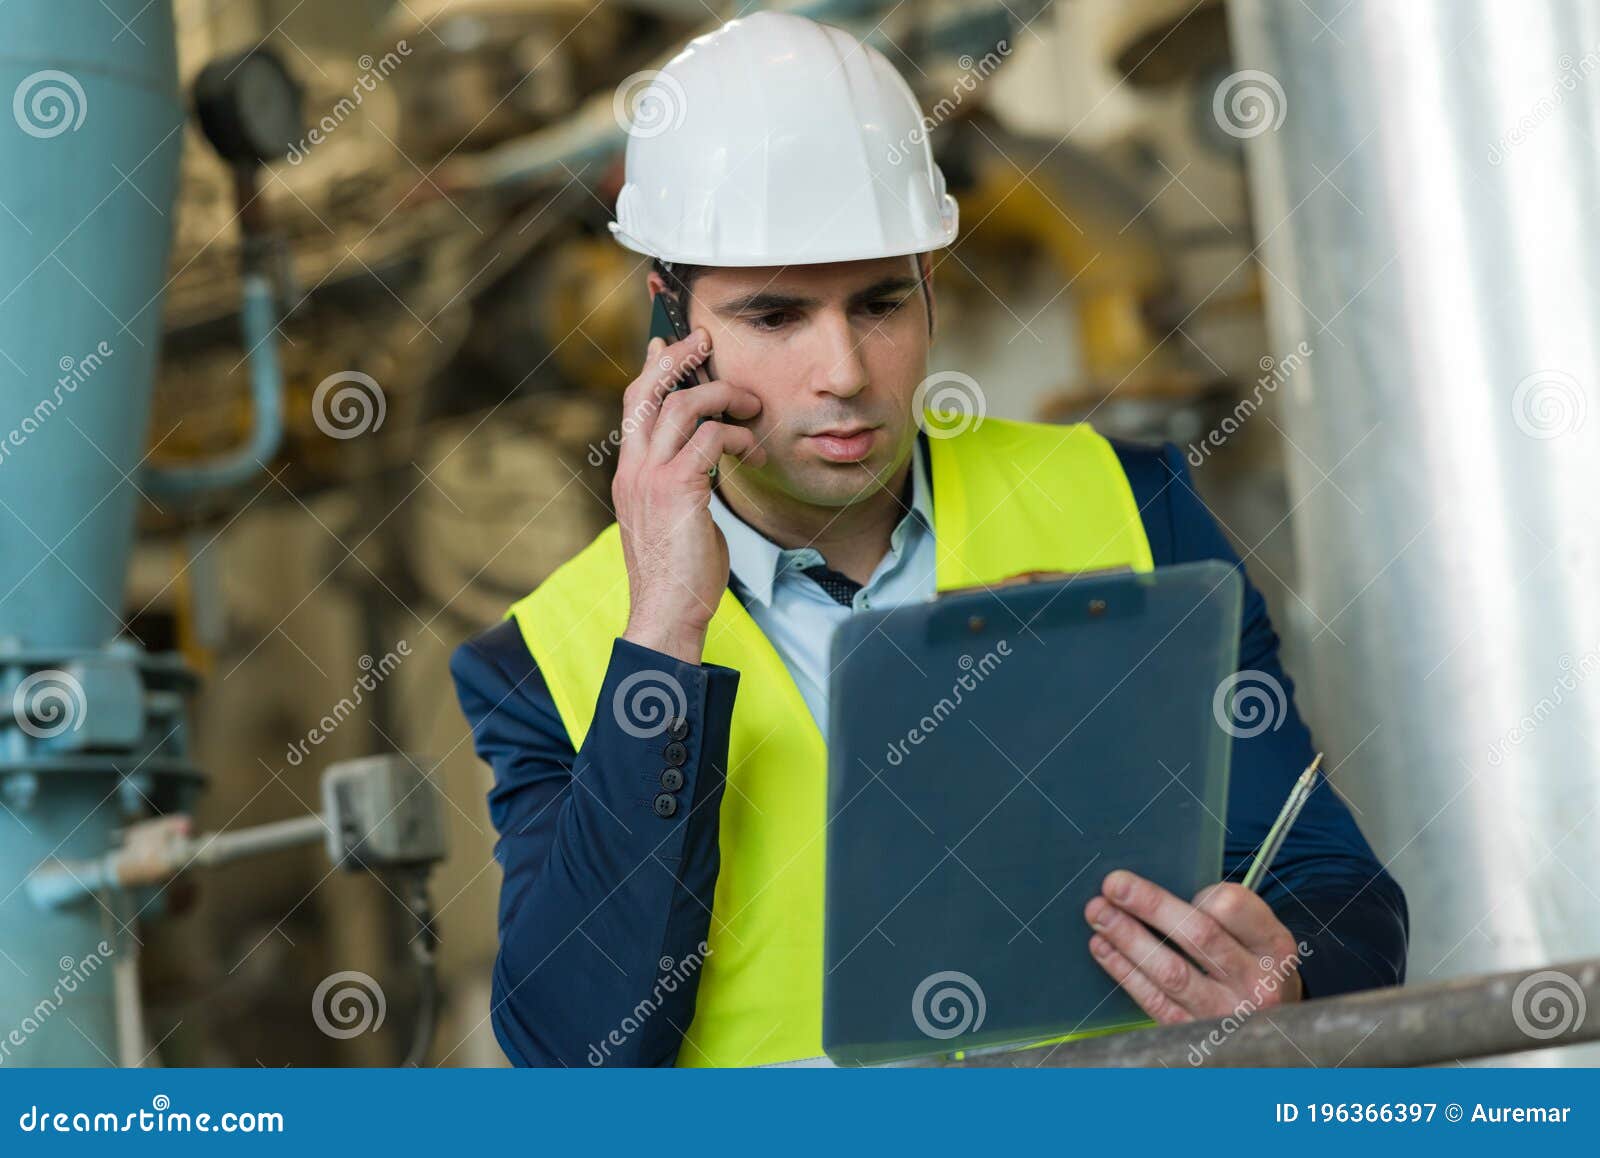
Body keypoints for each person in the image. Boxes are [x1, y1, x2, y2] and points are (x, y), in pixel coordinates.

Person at [451, 9, 1408, 1067]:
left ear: (930, 285)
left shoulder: (1127, 504)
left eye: (878, 303)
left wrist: (1293, 973)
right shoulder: (545, 662)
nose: (846, 373)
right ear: (670, 317)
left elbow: (1331, 878)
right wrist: (668, 632)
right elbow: (574, 1050)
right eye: (775, 317)